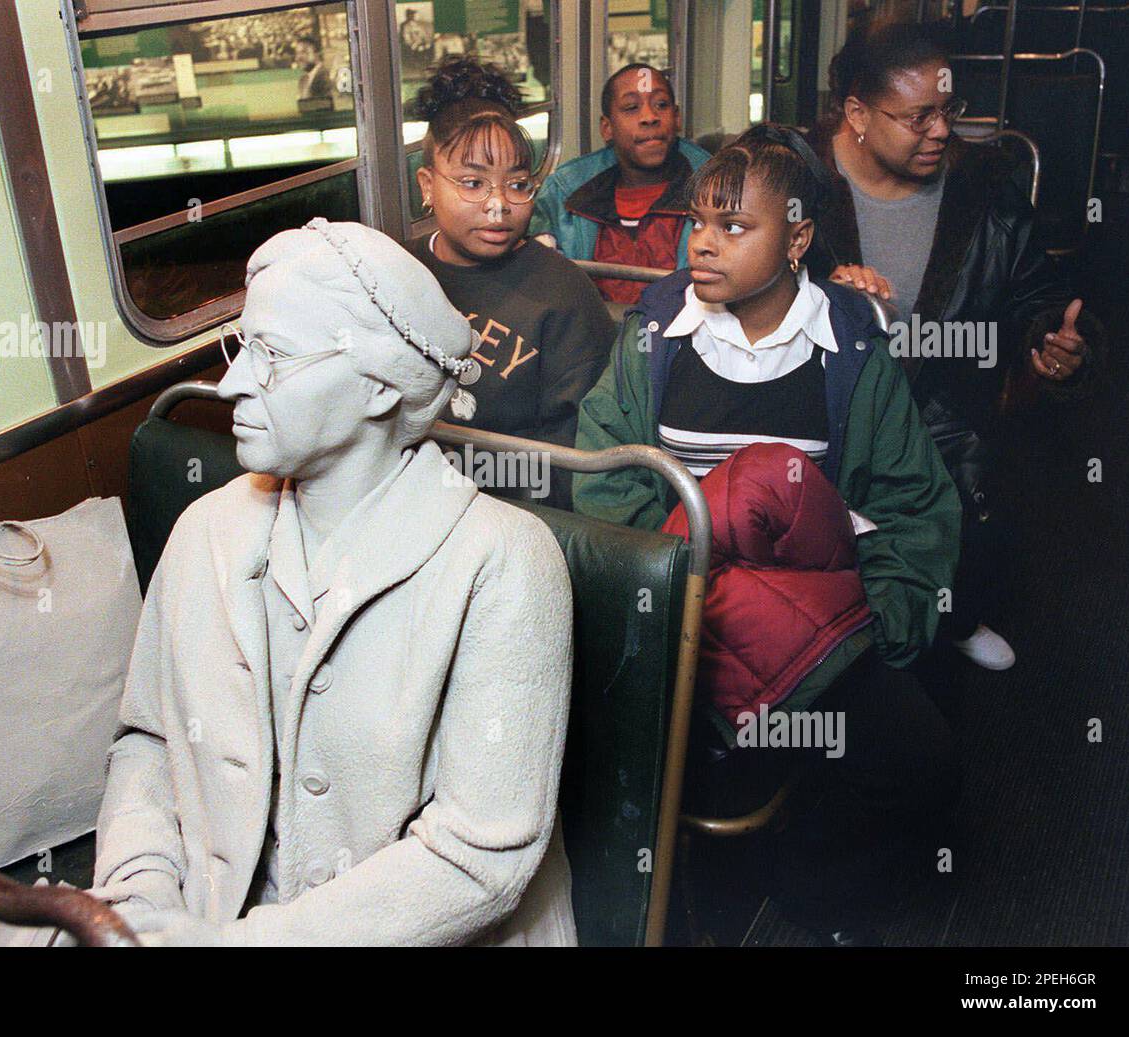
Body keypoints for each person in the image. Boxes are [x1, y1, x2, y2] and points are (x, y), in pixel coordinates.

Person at [87, 218, 577, 946]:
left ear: (379, 387)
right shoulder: (206, 530)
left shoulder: (504, 561)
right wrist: (139, 893)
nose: (233, 384)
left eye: (275, 355)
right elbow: (150, 741)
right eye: (242, 347)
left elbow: (480, 860)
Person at [574, 125, 962, 942]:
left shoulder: (848, 350)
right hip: (686, 610)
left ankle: (808, 892)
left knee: (922, 763)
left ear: (796, 238)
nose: (702, 243)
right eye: (697, 222)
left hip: (814, 614)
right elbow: (606, 477)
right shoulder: (653, 336)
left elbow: (914, 503)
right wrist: (678, 600)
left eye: (733, 226)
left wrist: (881, 623)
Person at [804, 19, 1100, 671]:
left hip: (943, 417)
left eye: (948, 109)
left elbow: (1036, 298)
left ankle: (955, 615)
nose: (941, 130)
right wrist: (822, 293)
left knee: (947, 537)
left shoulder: (985, 192)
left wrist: (1052, 341)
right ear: (857, 114)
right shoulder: (798, 181)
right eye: (918, 117)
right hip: (822, 411)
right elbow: (750, 281)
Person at [407, 56, 615, 509]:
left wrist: (455, 487)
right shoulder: (396, 275)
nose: (498, 205)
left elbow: (577, 460)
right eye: (472, 183)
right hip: (405, 498)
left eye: (518, 185)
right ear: (427, 185)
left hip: (515, 511)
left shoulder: (565, 293)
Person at [529, 63, 711, 304]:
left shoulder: (715, 189)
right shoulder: (563, 192)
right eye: (631, 108)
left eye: (661, 105)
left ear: (677, 118)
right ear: (607, 128)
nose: (650, 117)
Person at [294, 36, 332, 101]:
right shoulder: (303, 80)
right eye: (297, 53)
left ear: (317, 53)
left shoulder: (327, 77)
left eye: (304, 52)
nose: (298, 58)